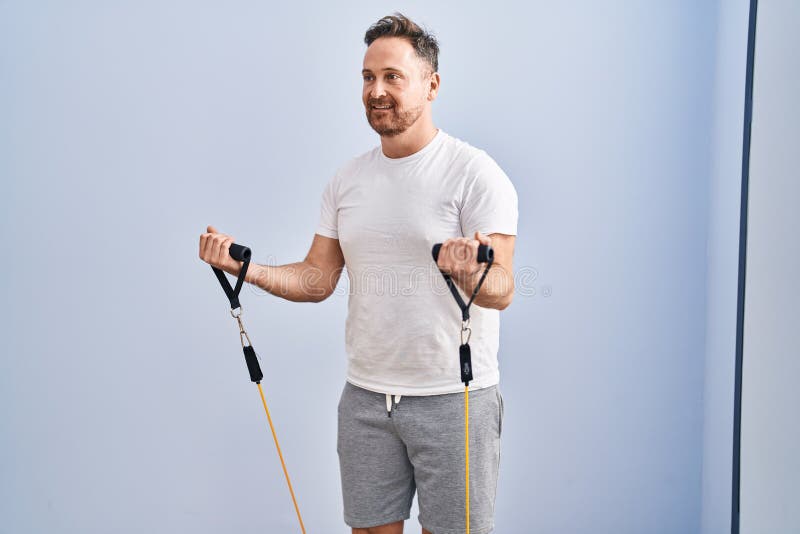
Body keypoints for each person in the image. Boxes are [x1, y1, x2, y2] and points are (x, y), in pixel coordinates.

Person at [199, 13, 518, 534]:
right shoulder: (347, 181)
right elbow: (317, 280)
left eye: (394, 76)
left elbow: (502, 290)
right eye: (369, 78)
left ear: (431, 84)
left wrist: (471, 274)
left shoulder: (475, 174)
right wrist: (246, 268)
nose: (378, 90)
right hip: (367, 401)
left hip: (454, 401)